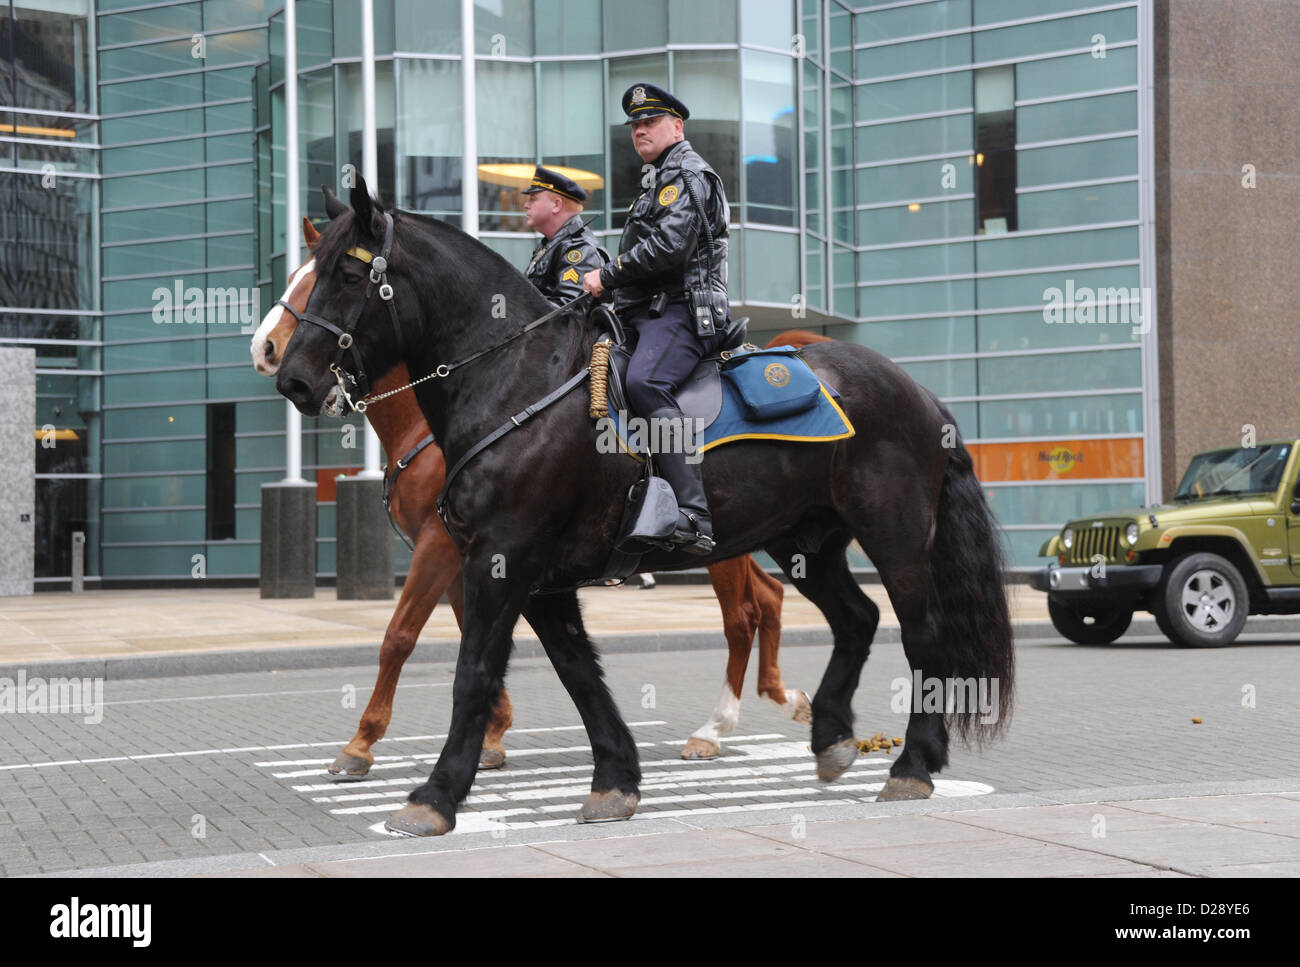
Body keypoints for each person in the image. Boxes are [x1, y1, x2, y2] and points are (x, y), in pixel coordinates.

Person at [581, 83, 730, 556]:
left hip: (685, 309)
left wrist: (606, 275)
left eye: (650, 122)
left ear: (677, 126)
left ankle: (694, 515)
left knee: (646, 382)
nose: (639, 130)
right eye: (635, 125)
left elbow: (669, 249)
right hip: (646, 311)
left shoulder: (685, 174)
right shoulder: (658, 177)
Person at [521, 165, 607, 307]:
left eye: (533, 199)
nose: (526, 205)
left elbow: (564, 314)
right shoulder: (550, 244)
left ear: (556, 205)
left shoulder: (580, 250)